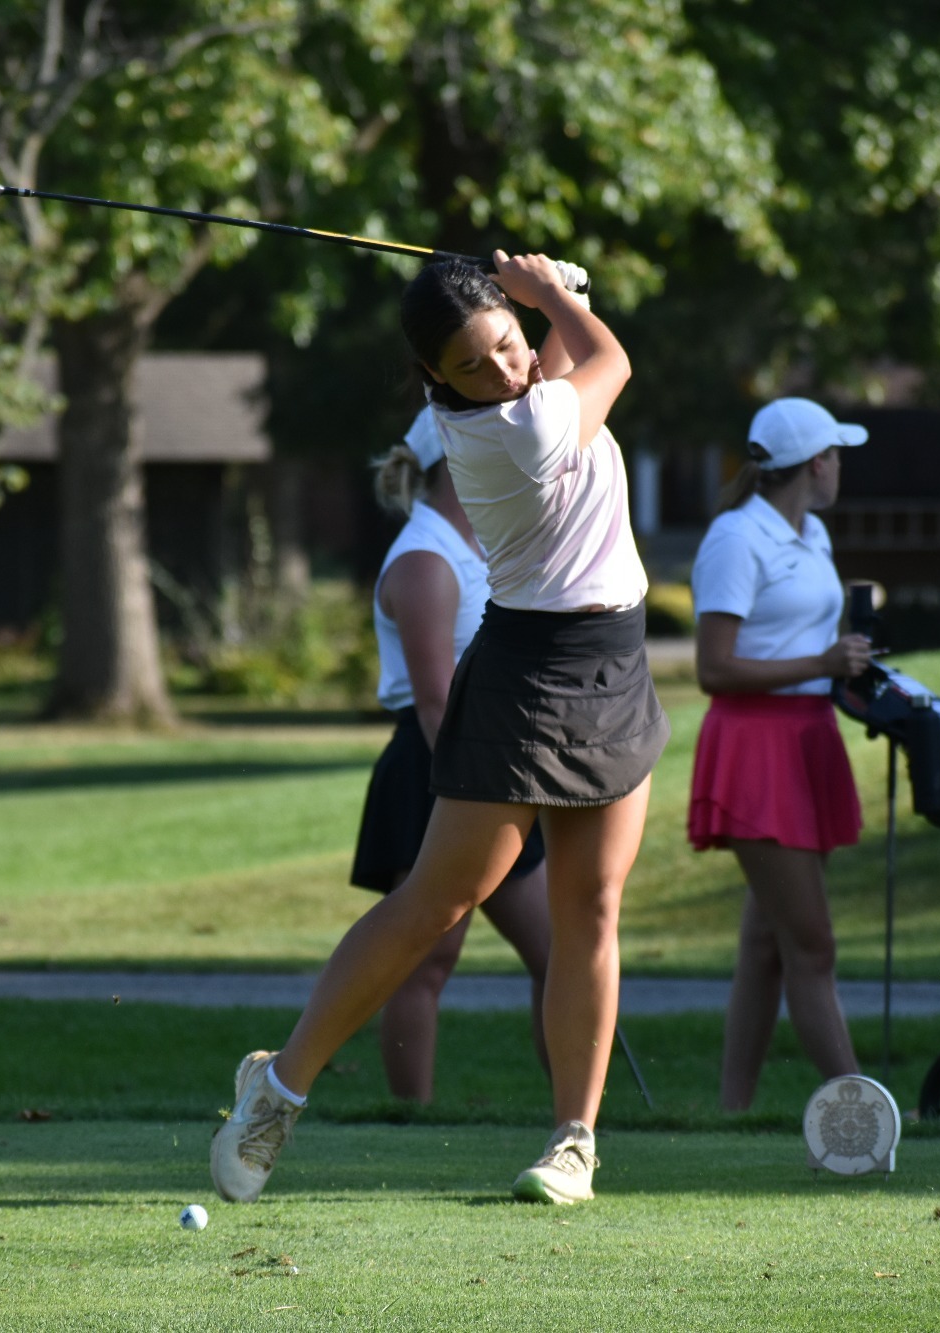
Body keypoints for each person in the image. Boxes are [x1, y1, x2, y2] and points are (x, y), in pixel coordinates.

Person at [212, 251, 668, 1206]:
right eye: (473, 365)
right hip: (528, 672)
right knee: (435, 902)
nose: (505, 369)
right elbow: (610, 362)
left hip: (615, 662)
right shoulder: (510, 430)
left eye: (507, 345)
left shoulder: (527, 386)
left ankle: (572, 1144)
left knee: (592, 910)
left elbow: (560, 357)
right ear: (438, 383)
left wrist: (547, 304)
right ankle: (279, 1085)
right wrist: (554, 297)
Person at [352, 409, 553, 1101]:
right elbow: (437, 705)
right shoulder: (424, 559)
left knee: (562, 955)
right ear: (458, 455)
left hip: (496, 765)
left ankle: (574, 1120)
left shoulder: (487, 547)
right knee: (426, 961)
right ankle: (415, 1117)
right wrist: (494, 789)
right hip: (440, 768)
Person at [686, 397, 872, 1112]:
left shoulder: (812, 535)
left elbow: (803, 646)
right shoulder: (736, 539)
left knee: (768, 941)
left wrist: (840, 667)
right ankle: (859, 1108)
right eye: (837, 456)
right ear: (817, 463)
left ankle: (732, 1112)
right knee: (811, 945)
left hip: (807, 736)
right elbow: (715, 668)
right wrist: (821, 660)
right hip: (756, 745)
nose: (840, 468)